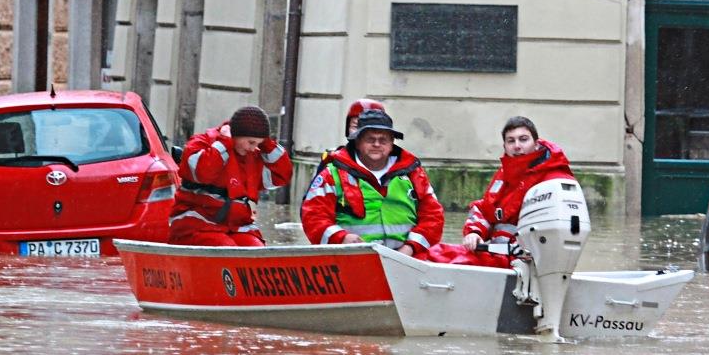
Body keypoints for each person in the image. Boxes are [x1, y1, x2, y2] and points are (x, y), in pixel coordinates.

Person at [429, 116, 574, 267]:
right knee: (430, 254)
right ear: (504, 146)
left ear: (536, 144)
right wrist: (474, 232)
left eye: (523, 139)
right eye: (511, 141)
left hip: (524, 262)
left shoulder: (554, 178)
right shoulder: (505, 173)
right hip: (498, 255)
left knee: (438, 258)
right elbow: (486, 209)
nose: (517, 146)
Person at [301, 109, 444, 258]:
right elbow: (313, 217)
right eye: (370, 139)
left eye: (383, 140)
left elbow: (433, 217)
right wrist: (341, 238)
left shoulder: (413, 173)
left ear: (391, 144)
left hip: (408, 260)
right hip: (350, 260)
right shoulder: (332, 174)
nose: (377, 144)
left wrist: (411, 248)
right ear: (357, 142)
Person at [168, 105, 292, 246]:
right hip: (196, 225)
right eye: (251, 142)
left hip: (236, 227)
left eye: (258, 143)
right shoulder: (202, 143)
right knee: (225, 248)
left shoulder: (252, 158)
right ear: (236, 134)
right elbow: (204, 172)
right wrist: (225, 143)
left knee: (256, 251)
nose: (253, 148)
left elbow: (282, 175)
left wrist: (267, 145)